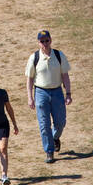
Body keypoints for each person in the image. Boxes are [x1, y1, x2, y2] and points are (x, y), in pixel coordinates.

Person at [25, 30, 71, 163]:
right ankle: (49, 152)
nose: (45, 43)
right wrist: (30, 97)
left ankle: (54, 138)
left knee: (60, 122)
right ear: (38, 43)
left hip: (57, 92)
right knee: (44, 125)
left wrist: (68, 93)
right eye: (42, 41)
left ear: (51, 40)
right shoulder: (34, 58)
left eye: (47, 40)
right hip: (41, 93)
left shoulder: (58, 55)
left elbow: (65, 76)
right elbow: (29, 79)